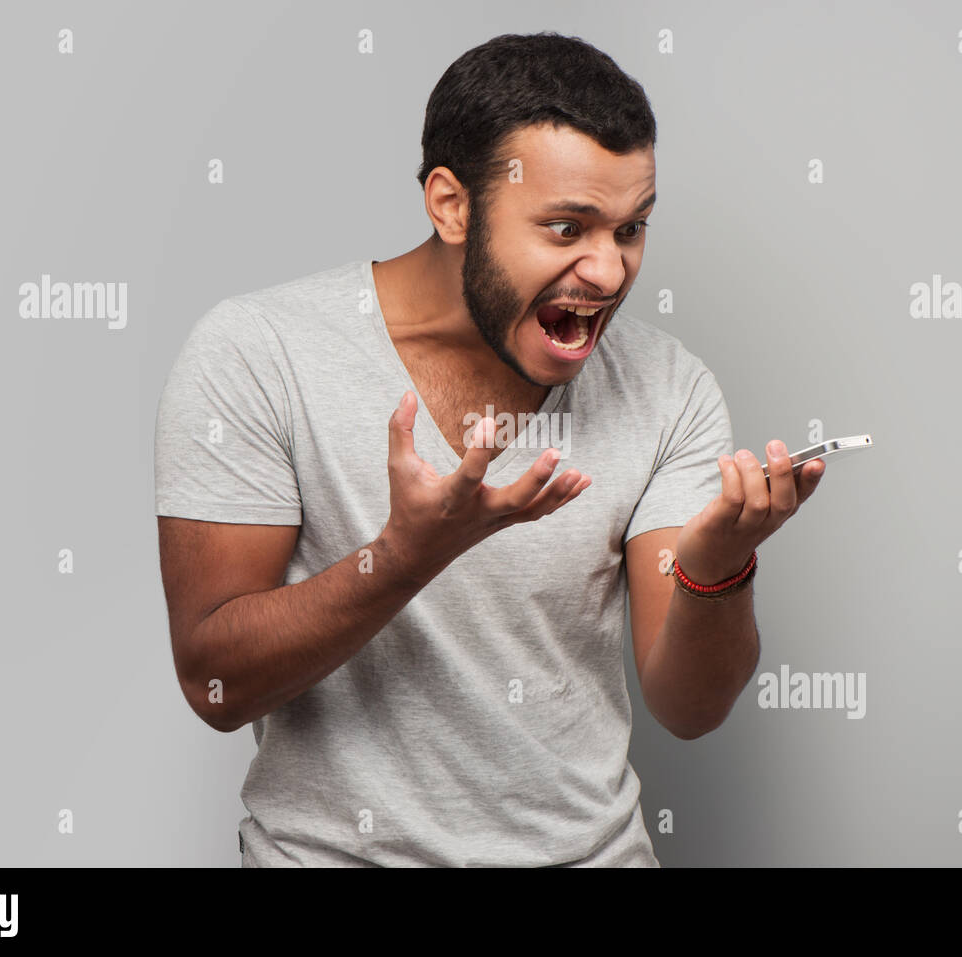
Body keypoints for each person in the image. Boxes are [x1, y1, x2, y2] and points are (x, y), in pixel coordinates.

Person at [154, 31, 825, 868]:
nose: (610, 271)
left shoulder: (669, 389)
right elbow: (214, 683)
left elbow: (689, 706)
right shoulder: (258, 353)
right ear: (451, 205)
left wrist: (719, 566)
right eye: (566, 227)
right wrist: (403, 557)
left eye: (631, 229)